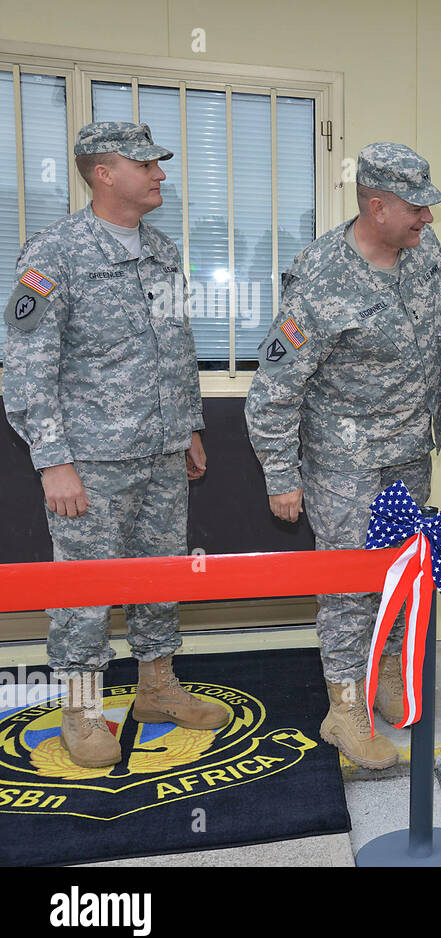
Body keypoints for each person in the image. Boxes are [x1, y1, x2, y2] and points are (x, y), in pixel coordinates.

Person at [2, 122, 227, 768]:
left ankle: (157, 687)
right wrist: (54, 462)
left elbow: (176, 346)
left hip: (161, 451)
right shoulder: (54, 253)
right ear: (104, 173)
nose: (160, 174)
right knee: (85, 587)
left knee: (160, 575)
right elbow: (26, 366)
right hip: (90, 462)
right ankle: (80, 707)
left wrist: (188, 426)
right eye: (147, 164)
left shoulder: (162, 251)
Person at [244, 142, 441, 769]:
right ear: (377, 204)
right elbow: (274, 389)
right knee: (349, 584)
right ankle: (343, 707)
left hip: (410, 446)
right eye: (416, 207)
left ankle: (385, 672)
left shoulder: (424, 253)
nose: (426, 218)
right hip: (345, 460)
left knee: (402, 570)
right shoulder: (320, 278)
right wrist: (282, 476)